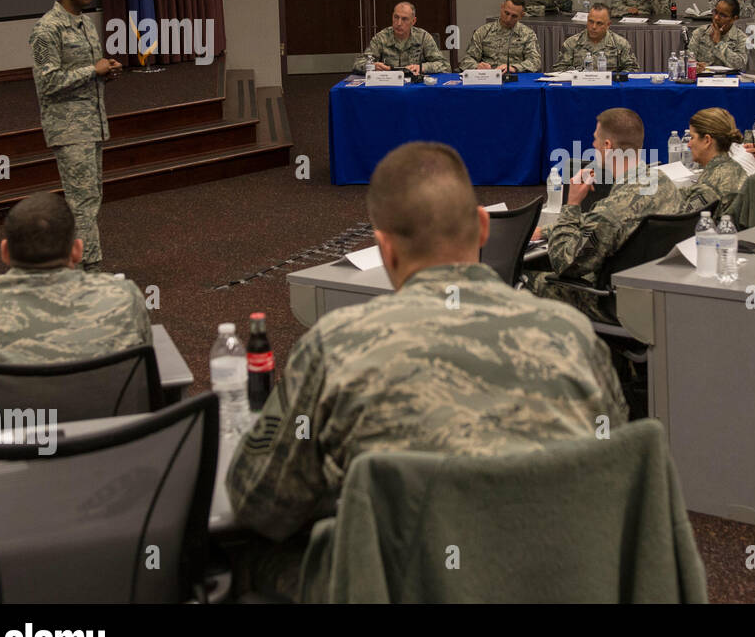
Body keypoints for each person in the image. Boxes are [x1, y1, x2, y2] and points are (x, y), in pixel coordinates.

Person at [227, 142, 628, 561]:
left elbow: (259, 501)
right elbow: (617, 479)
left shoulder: (335, 347)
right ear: (483, 227)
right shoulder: (573, 336)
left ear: (384, 249)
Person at [0, 192, 150, 365]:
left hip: (4, 408)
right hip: (104, 406)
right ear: (77, 250)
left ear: (5, 252)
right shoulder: (123, 297)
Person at [525, 108, 681, 320]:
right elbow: (607, 223)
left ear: (607, 146)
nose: (593, 146)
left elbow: (563, 263)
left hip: (611, 302)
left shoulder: (610, 212)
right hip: (655, 293)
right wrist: (547, 230)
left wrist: (571, 204)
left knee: (520, 276)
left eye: (595, 140)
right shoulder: (664, 183)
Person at [29, 0, 122, 270]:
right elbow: (48, 82)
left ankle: (84, 266)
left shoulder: (85, 24)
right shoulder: (47, 29)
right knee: (82, 203)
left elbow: (86, 72)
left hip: (92, 123)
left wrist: (104, 71)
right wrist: (91, 71)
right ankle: (86, 268)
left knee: (90, 200)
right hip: (69, 128)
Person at [678, 108, 749, 218]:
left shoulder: (708, 187)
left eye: (692, 138)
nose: (689, 144)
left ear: (707, 140)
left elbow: (683, 223)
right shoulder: (736, 168)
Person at [353, 1, 447, 75]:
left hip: (415, 86)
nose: (398, 23)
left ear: (413, 21)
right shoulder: (381, 38)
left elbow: (444, 65)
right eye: (396, 17)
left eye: (404, 19)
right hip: (388, 86)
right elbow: (358, 64)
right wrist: (373, 66)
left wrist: (422, 67)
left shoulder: (423, 37)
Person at [460, 0, 542, 72]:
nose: (508, 19)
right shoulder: (483, 31)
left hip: (514, 78)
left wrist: (514, 68)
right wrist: (477, 66)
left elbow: (535, 61)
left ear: (521, 16)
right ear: (502, 7)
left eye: (514, 16)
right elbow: (466, 60)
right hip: (488, 77)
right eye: (506, 13)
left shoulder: (527, 34)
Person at [551, 3, 638, 72]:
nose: (593, 27)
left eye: (599, 23)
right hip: (580, 90)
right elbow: (558, 70)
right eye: (590, 22)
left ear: (608, 25)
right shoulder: (572, 43)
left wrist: (615, 79)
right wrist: (575, 74)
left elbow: (633, 69)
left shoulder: (620, 43)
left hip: (610, 89)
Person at [687, 0, 749, 71]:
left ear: (734, 19)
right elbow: (688, 58)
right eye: (715, 12)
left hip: (729, 79)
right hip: (702, 78)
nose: (716, 18)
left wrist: (719, 43)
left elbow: (739, 65)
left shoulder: (741, 38)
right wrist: (695, 65)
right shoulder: (701, 32)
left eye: (723, 15)